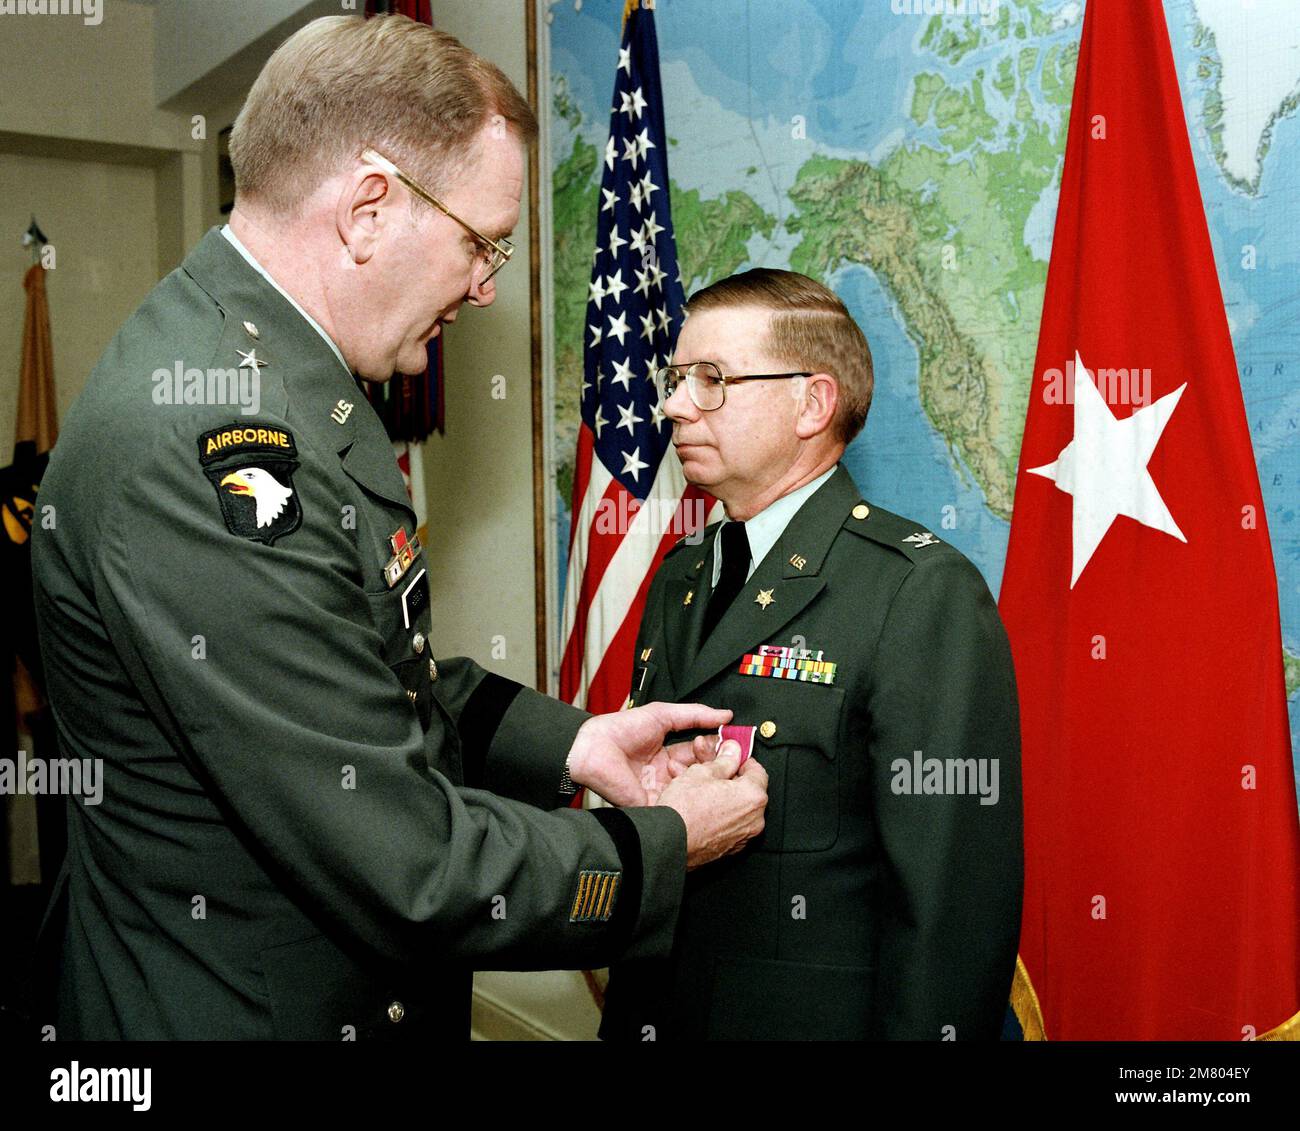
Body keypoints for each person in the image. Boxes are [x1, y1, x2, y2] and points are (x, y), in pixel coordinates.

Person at [26, 14, 767, 1041]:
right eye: (481, 241)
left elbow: (368, 673)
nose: (485, 285)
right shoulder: (209, 440)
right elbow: (405, 865)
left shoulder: (271, 368)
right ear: (371, 208)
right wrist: (661, 847)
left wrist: (578, 744)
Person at [599, 269, 1022, 1041]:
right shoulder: (681, 574)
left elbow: (950, 913)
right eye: (675, 377)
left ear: (813, 403)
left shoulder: (917, 592)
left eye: (712, 379)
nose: (673, 404)